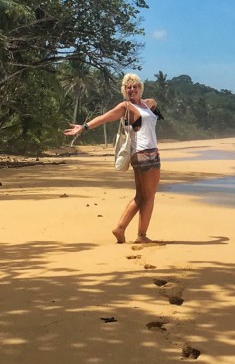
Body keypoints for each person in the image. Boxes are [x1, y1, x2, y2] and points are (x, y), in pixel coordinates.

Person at [65, 73, 163, 244]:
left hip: (149, 153)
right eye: (128, 87)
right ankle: (141, 236)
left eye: (135, 86)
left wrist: (152, 111)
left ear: (140, 88)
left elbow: (155, 114)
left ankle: (120, 229)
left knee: (141, 196)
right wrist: (84, 127)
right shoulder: (126, 107)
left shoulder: (149, 104)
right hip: (144, 154)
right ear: (124, 90)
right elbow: (104, 118)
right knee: (149, 196)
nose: (132, 89)